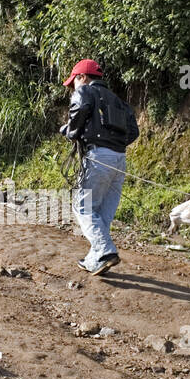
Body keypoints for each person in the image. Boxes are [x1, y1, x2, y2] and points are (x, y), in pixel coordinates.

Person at [60, 58, 138, 275]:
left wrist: (70, 131)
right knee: (103, 212)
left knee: (82, 207)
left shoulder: (85, 91)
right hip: (119, 160)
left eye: (73, 82)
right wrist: (114, 145)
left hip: (97, 157)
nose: (73, 87)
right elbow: (133, 132)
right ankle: (95, 259)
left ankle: (105, 251)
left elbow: (80, 110)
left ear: (82, 77)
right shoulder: (119, 101)